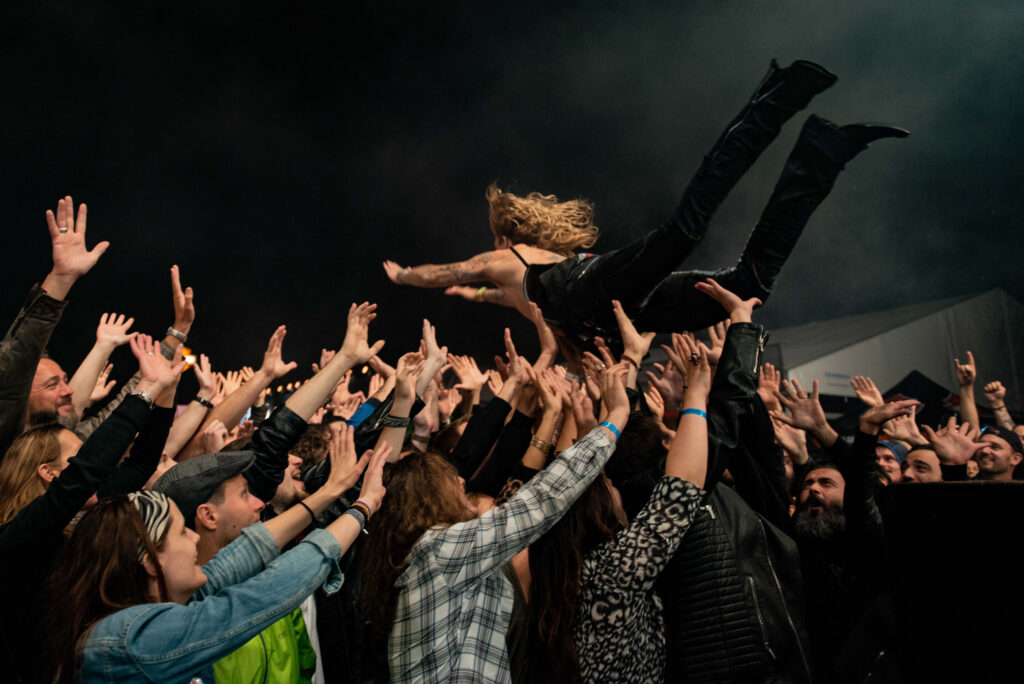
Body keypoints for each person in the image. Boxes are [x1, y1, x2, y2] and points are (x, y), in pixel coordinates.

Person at [383, 59, 907, 350]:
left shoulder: (505, 259)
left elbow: (450, 271)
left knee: (684, 232)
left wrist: (407, 276)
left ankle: (778, 96)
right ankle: (823, 153)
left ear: (506, 237)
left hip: (593, 292)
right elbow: (485, 293)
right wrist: (468, 295)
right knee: (746, 288)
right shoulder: (510, 286)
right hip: (617, 312)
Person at [152, 301, 385, 683]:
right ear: (206, 517)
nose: (259, 501)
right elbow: (273, 442)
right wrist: (347, 499)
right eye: (246, 494)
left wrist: (372, 378)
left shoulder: (251, 568)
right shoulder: (181, 623)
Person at [44, 426, 389, 683]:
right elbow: (263, 594)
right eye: (182, 531)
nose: (194, 538)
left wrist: (332, 492)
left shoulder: (151, 609)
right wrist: (362, 508)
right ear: (150, 561)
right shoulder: (133, 639)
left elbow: (245, 552)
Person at [359, 366, 632, 682]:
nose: (461, 481)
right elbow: (541, 499)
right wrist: (616, 419)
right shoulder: (437, 550)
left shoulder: (427, 553)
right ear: (426, 498)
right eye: (449, 480)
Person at [523, 325, 709, 682]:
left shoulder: (552, 570)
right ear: (597, 511)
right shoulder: (610, 575)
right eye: (606, 482)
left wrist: (601, 416)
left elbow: (562, 485)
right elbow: (679, 492)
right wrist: (696, 395)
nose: (613, 483)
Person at [0, 335, 183, 683]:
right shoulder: (15, 538)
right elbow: (84, 476)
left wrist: (166, 392)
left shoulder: (78, 510)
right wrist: (145, 387)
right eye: (79, 457)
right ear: (49, 475)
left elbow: (141, 464)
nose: (96, 468)